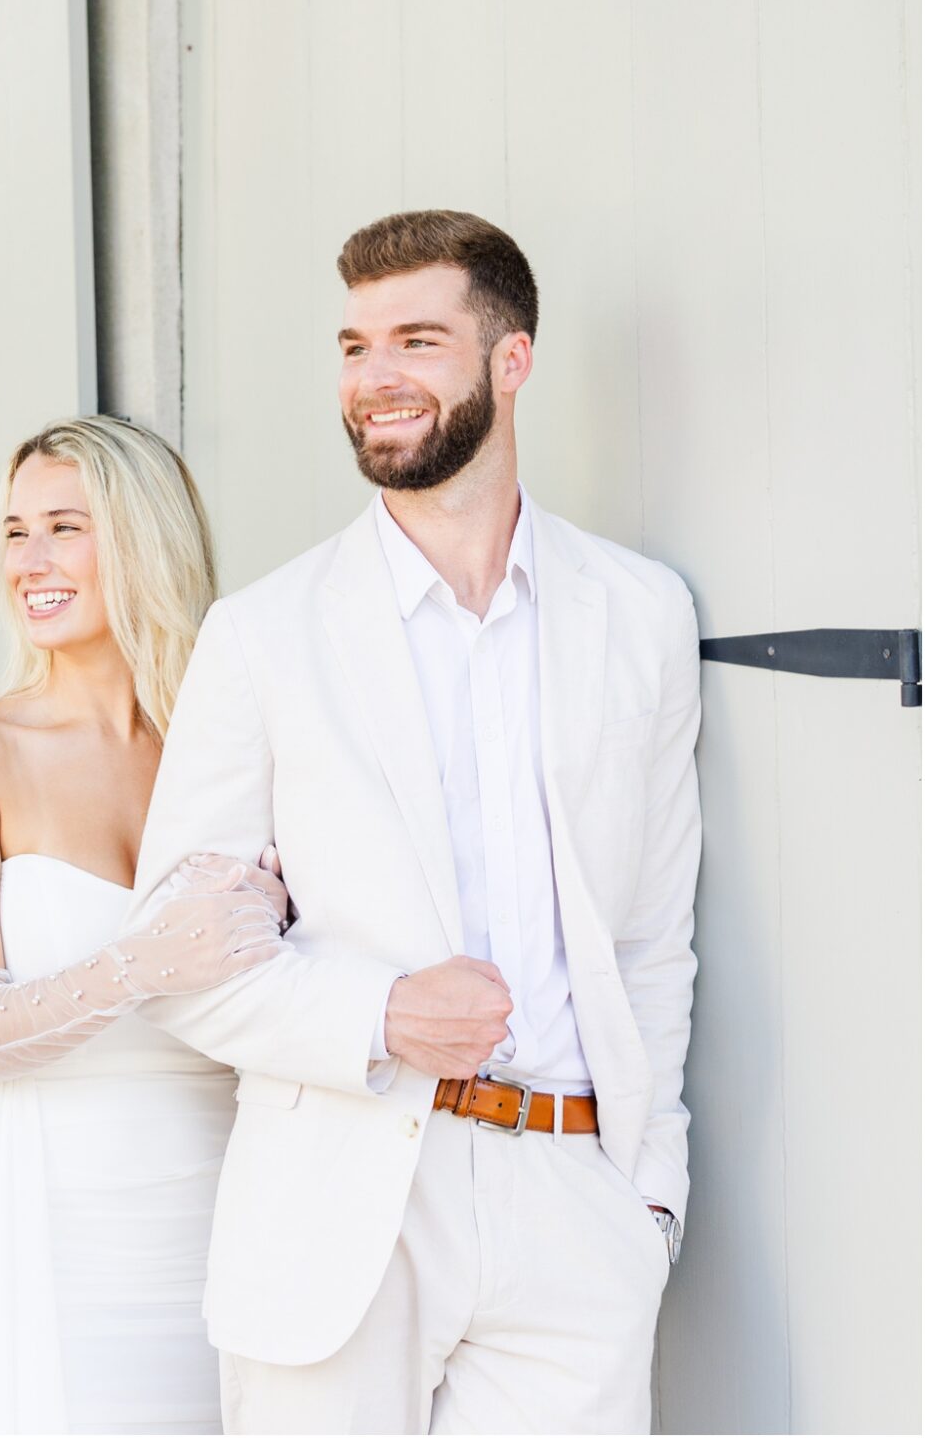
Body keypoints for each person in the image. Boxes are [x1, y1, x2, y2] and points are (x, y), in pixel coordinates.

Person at [129, 208, 702, 1435]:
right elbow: (175, 965)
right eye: (351, 345)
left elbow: (653, 932)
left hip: (574, 1198)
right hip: (342, 1197)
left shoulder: (638, 615)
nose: (372, 378)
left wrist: (645, 1199)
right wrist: (379, 1012)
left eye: (414, 339)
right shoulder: (264, 634)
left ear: (510, 360)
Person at [0, 416, 288, 1436]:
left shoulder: (233, 743)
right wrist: (138, 963)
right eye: (16, 531)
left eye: (65, 526)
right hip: (39, 1216)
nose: (30, 561)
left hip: (224, 1204)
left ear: (142, 541)